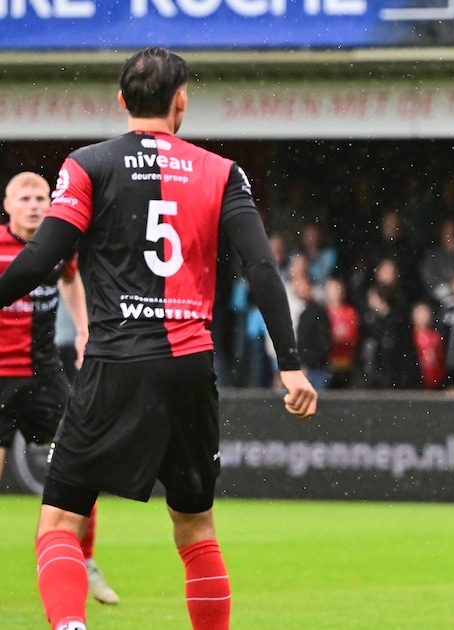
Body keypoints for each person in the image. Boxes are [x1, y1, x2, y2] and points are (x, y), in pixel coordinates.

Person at [0, 47, 317, 630]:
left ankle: (70, 626)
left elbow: (41, 257)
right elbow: (262, 269)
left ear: (122, 101)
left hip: (115, 363)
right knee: (196, 530)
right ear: (181, 101)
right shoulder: (223, 172)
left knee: (60, 524)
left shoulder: (88, 165)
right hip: (190, 367)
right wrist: (290, 363)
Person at [0, 172, 120, 606]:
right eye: (25, 197)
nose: (34, 204)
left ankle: (83, 559)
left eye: (41, 197)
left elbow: (71, 278)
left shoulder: (58, 245)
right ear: (7, 204)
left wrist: (85, 329)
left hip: (43, 375)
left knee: (82, 461)